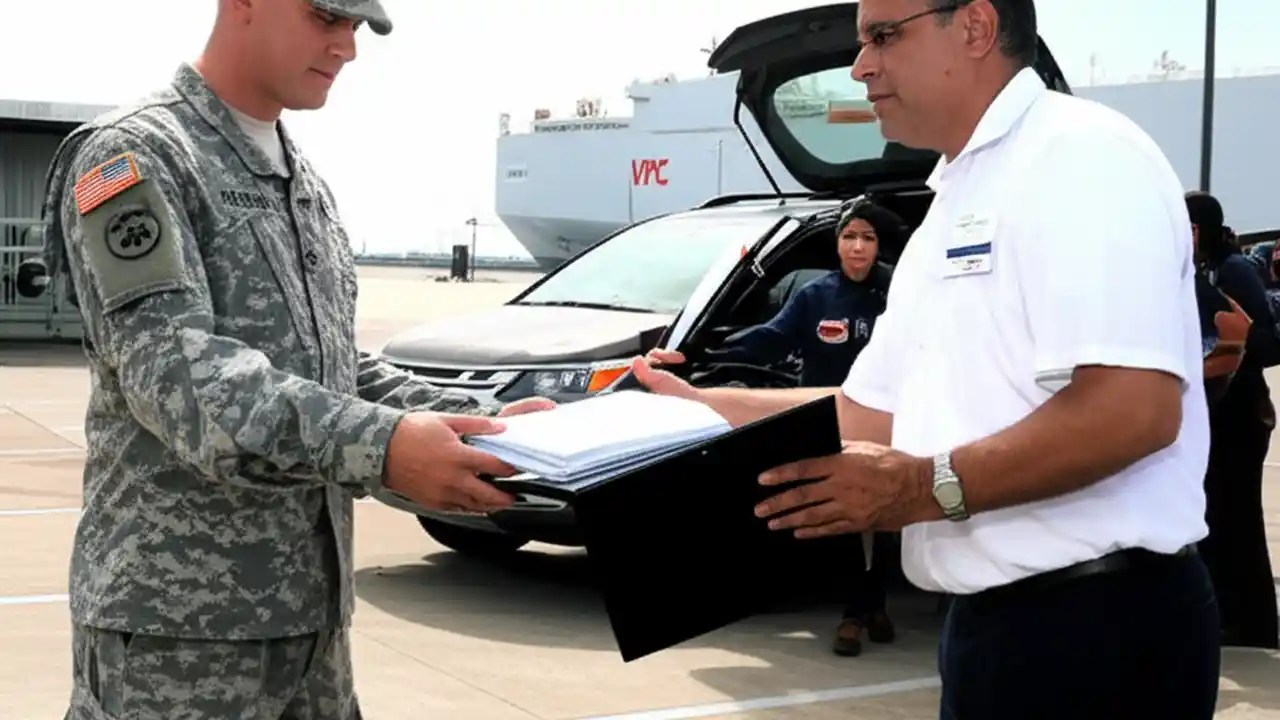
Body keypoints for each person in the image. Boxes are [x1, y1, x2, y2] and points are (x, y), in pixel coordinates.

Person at [633, 0, 1221, 717]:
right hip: (994, 628)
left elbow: (1132, 411)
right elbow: (870, 413)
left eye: (882, 36)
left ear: (975, 27)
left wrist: (920, 488)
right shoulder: (952, 200)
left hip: (1100, 628)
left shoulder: (1081, 156)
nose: (860, 67)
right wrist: (701, 411)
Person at [42, 2, 553, 717]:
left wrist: (487, 425)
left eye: (357, 27)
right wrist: (385, 449)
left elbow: (335, 367)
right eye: (325, 16)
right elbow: (182, 381)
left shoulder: (301, 179)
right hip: (178, 644)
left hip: (314, 633)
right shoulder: (135, 158)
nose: (346, 46)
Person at [646, 197, 903, 656]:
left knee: (881, 514)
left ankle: (863, 609)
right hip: (826, 418)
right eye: (849, 236)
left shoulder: (900, 294)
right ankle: (863, 607)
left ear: (878, 244)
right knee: (839, 515)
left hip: (884, 419)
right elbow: (767, 339)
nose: (857, 247)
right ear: (837, 244)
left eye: (867, 238)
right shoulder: (816, 297)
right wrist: (696, 357)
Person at [1187, 191, 1280, 650]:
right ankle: (1235, 616)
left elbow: (1267, 342)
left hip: (1241, 416)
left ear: (1196, 231)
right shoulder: (1210, 269)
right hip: (1224, 415)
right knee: (1223, 518)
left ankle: (1256, 625)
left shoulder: (1234, 271)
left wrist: (1229, 351)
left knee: (1239, 521)